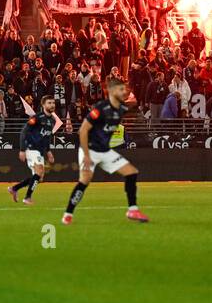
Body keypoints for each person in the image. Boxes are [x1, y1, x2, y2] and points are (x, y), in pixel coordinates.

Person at [63, 76, 148, 225]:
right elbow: (82, 131)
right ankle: (68, 213)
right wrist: (87, 156)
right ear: (112, 91)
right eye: (121, 89)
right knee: (85, 181)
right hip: (89, 150)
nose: (124, 91)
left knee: (131, 172)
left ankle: (132, 210)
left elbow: (132, 104)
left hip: (104, 150)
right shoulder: (100, 109)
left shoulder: (121, 109)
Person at [8, 96, 57, 205]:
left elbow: (47, 137)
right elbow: (24, 131)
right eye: (49, 103)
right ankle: (27, 198)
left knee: (39, 177)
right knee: (39, 172)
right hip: (31, 147)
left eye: (53, 103)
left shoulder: (52, 120)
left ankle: (14, 188)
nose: (52, 105)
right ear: (43, 105)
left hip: (39, 150)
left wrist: (48, 151)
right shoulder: (37, 118)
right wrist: (22, 149)